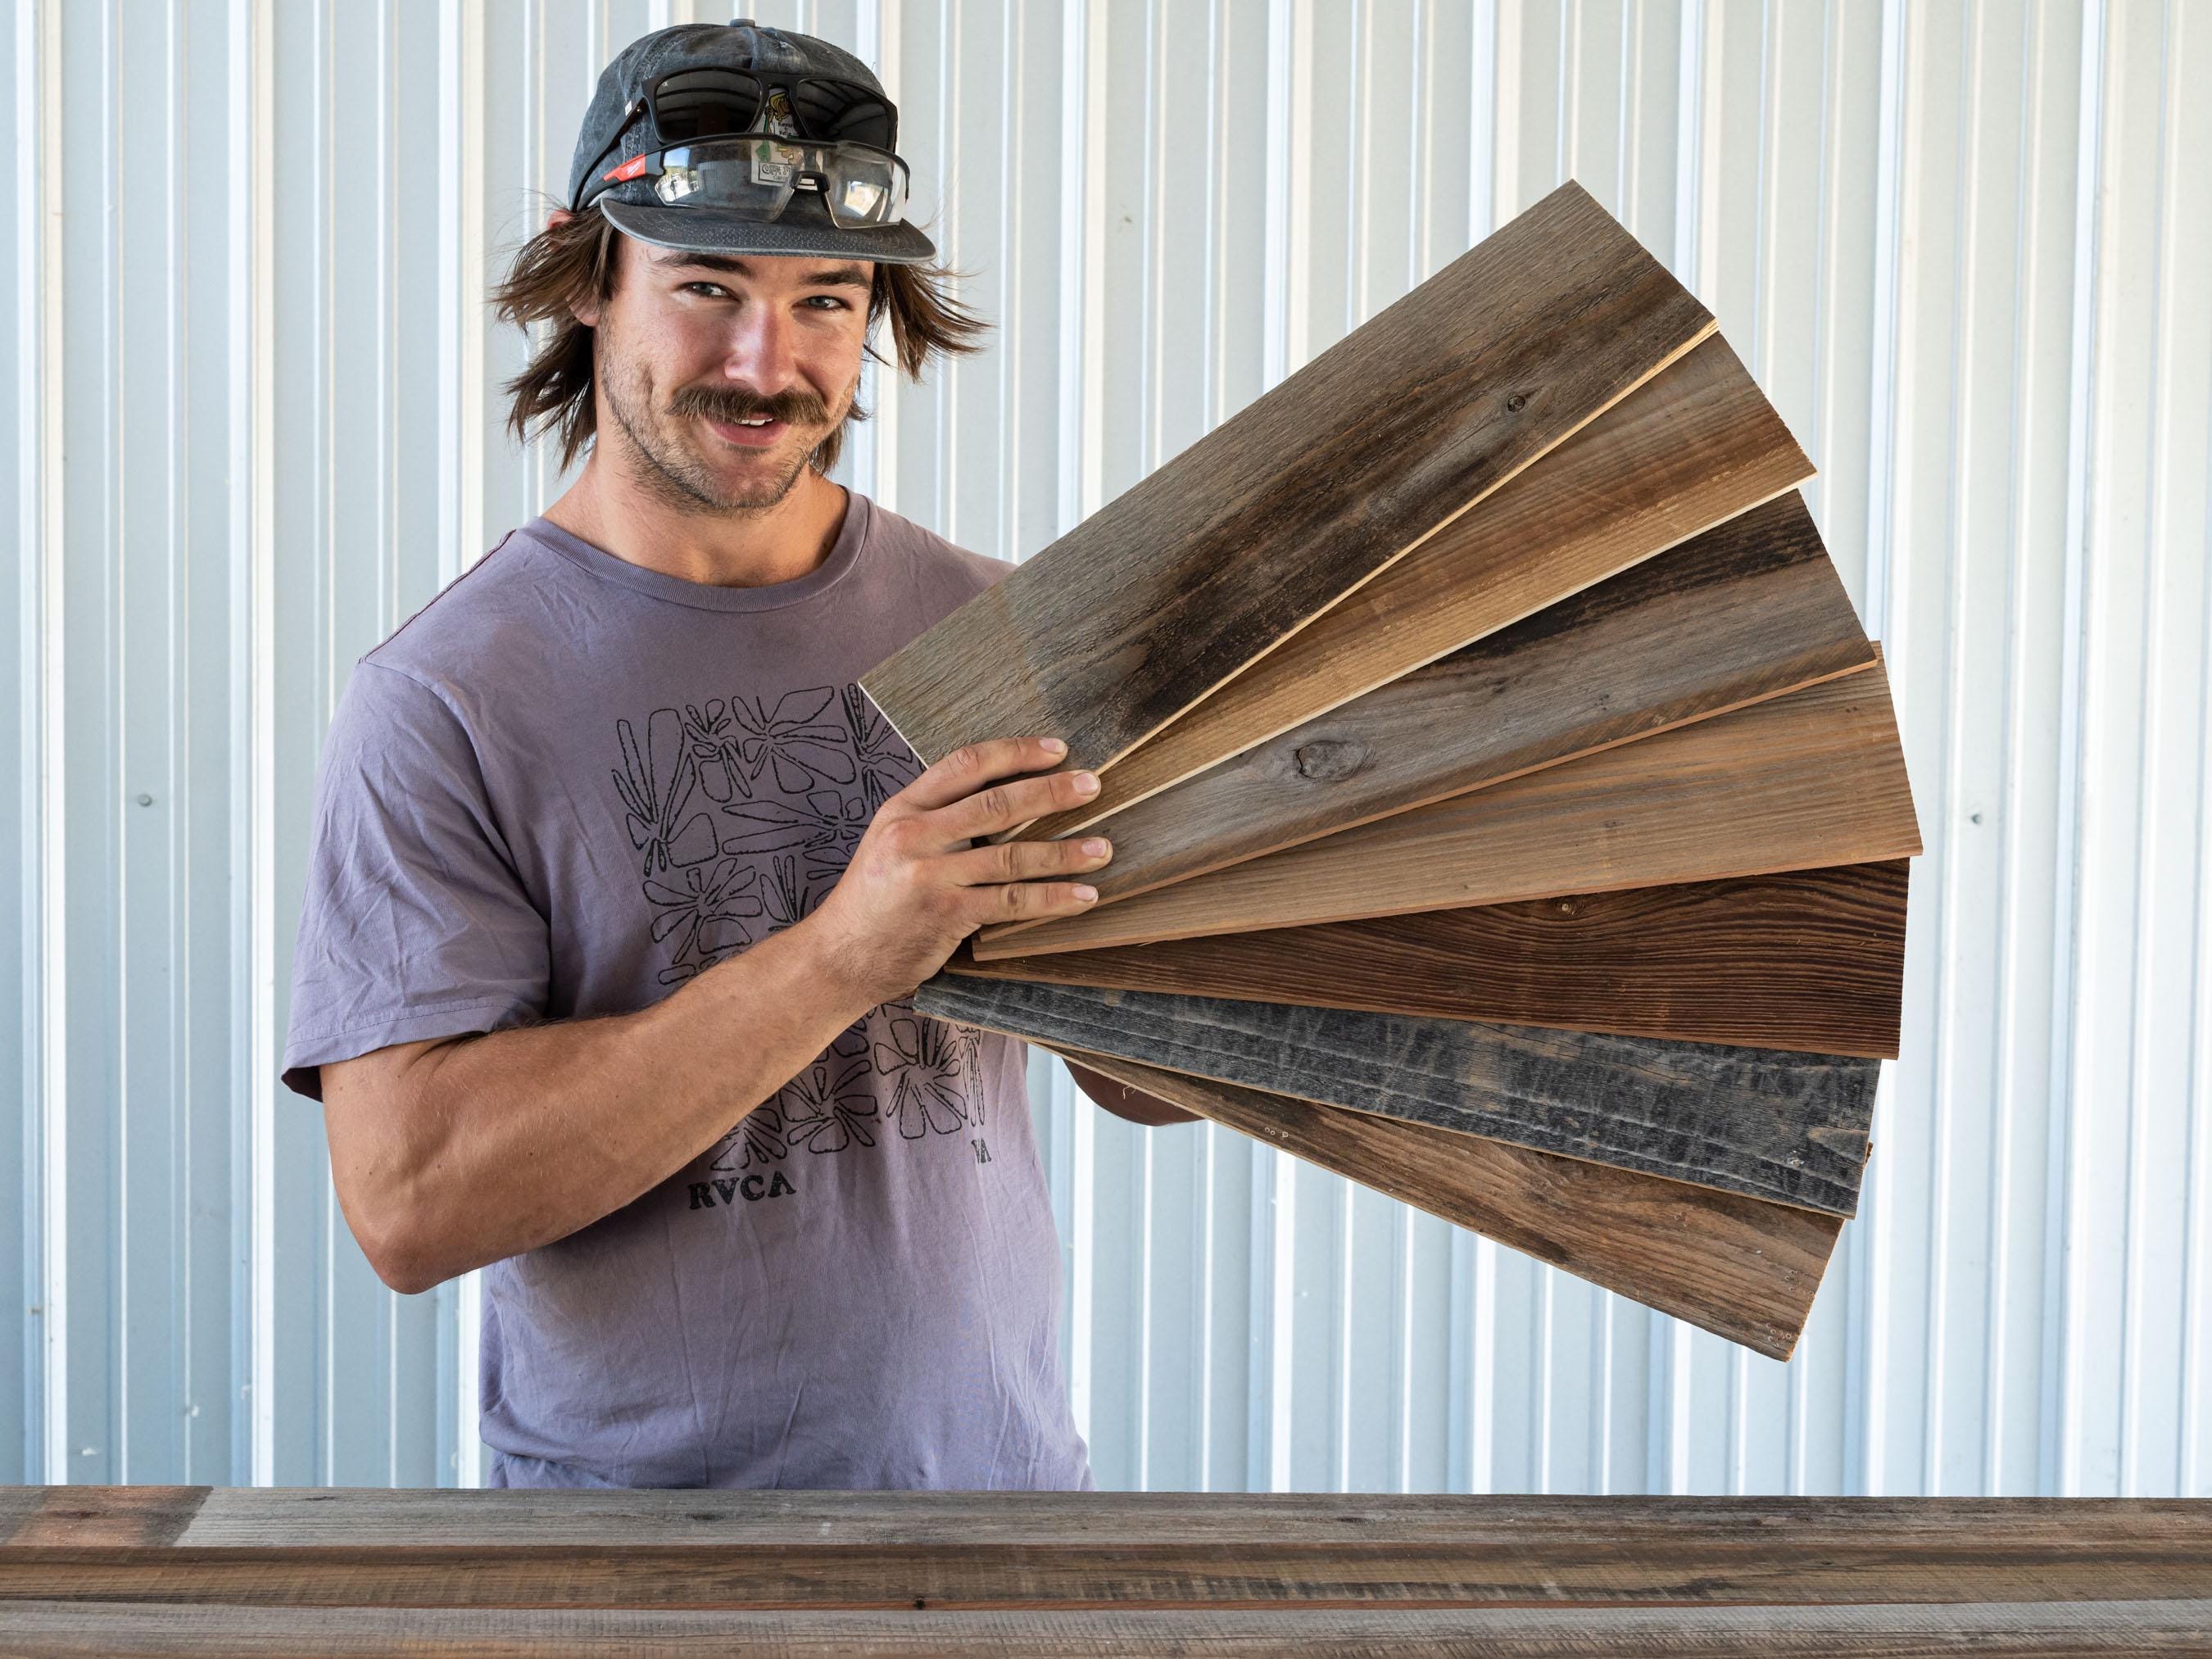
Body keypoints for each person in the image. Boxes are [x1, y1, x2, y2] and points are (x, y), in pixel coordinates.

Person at [279, 18, 1196, 1493]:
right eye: (708, 286)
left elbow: (1154, 1082)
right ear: (587, 275)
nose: (767, 364)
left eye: (826, 298)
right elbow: (410, 1203)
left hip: (1004, 1523)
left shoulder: (1001, 631)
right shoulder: (447, 699)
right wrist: (842, 956)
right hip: (636, 1561)